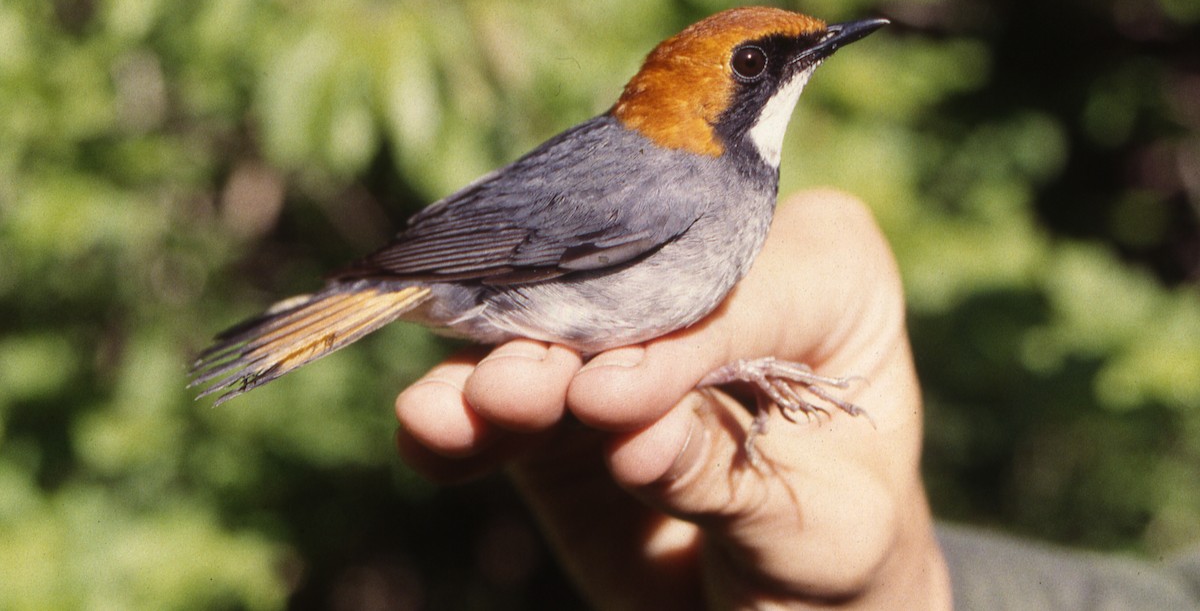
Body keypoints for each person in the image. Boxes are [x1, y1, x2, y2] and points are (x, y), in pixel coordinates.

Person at [395, 191, 1200, 609]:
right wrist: (906, 596)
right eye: (756, 62)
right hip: (474, 279)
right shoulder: (678, 180)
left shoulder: (719, 185)